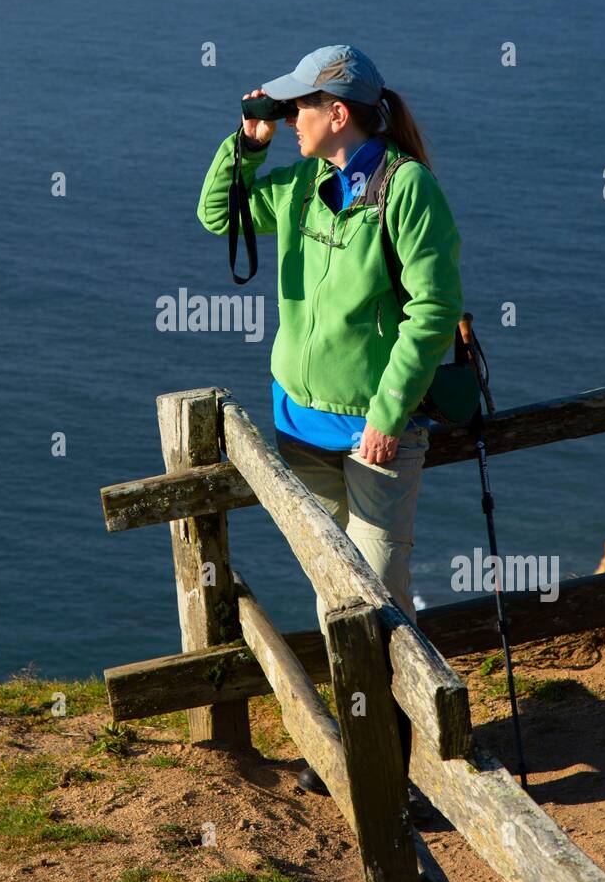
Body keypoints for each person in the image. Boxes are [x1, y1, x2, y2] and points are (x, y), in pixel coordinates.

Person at [197, 44, 465, 811]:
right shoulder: (304, 186)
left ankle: (403, 760)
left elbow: (433, 310)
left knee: (380, 594)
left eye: (296, 108)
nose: (287, 118)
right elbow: (218, 213)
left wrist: (388, 414)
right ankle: (358, 737)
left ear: (336, 114)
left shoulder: (406, 191)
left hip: (376, 434)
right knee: (331, 589)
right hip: (298, 422)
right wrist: (245, 147)